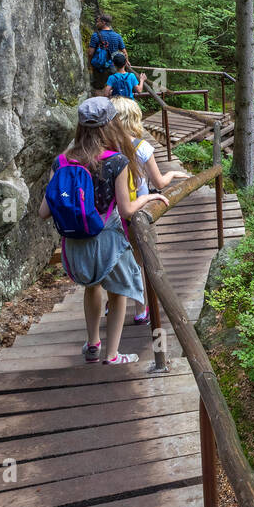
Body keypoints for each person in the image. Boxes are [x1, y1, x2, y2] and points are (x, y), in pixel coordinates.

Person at [37, 96, 167, 365]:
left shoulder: (62, 161)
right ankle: (112, 354)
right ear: (111, 125)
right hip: (107, 241)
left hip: (74, 245)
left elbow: (43, 212)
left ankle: (93, 342)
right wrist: (149, 197)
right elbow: (127, 210)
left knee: (91, 287)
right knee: (117, 293)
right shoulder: (116, 161)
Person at [110, 96, 189, 324]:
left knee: (114, 258)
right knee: (141, 258)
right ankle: (141, 308)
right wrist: (172, 174)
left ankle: (111, 303)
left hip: (111, 212)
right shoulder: (142, 147)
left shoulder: (105, 148)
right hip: (138, 211)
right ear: (133, 119)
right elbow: (160, 182)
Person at [87, 14, 126, 93]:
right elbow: (124, 52)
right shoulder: (117, 36)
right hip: (113, 67)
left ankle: (100, 104)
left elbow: (90, 53)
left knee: (98, 88)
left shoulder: (95, 36)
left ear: (103, 22)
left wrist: (90, 64)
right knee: (112, 88)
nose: (96, 23)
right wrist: (125, 64)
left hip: (99, 67)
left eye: (98, 22)